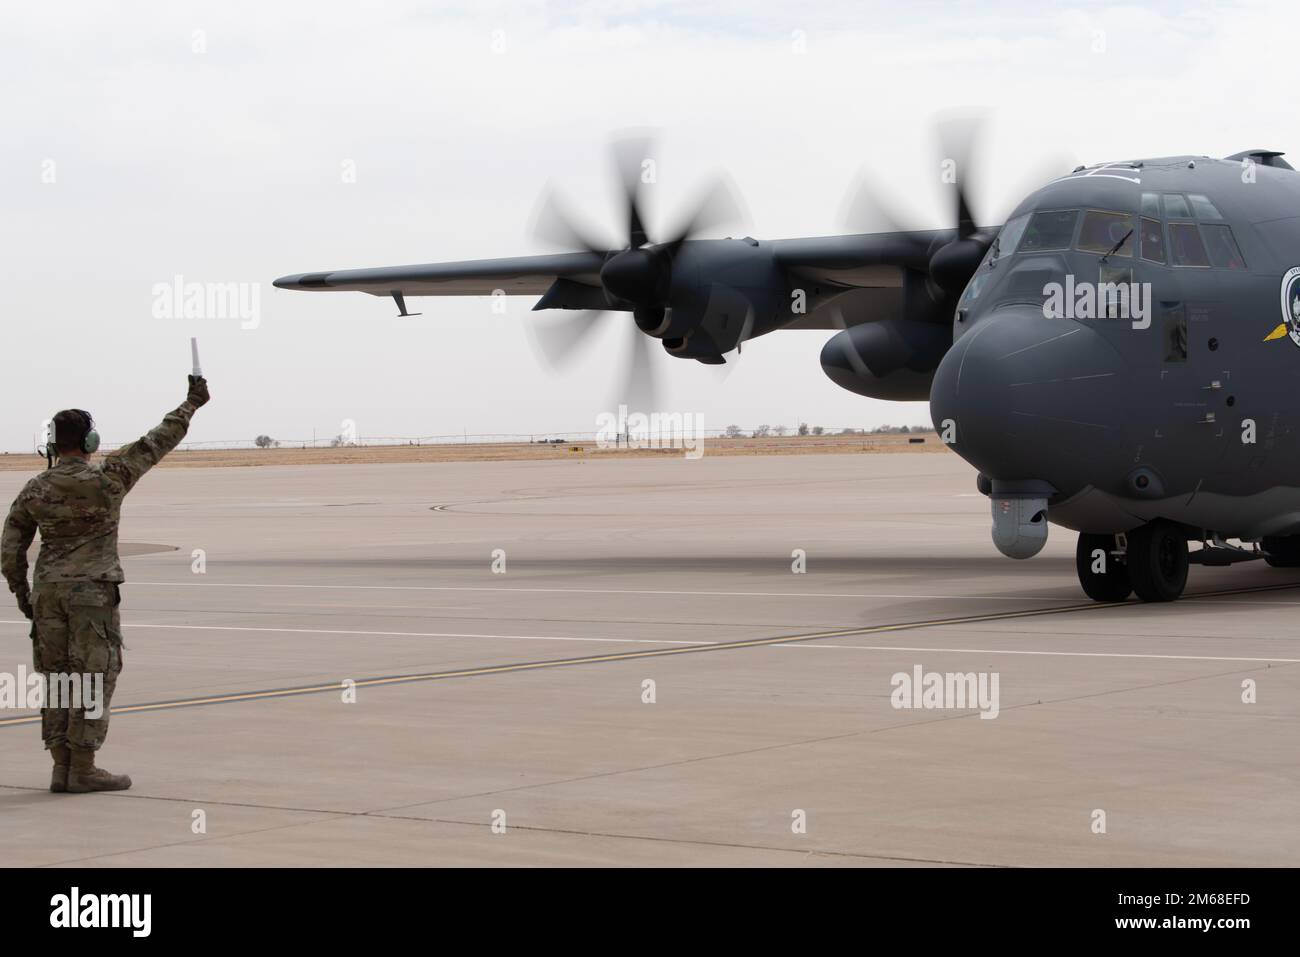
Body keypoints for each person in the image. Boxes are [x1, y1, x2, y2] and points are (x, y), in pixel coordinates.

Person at [1, 376, 210, 792]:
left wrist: (24, 595)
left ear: (53, 444)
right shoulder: (108, 479)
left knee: (57, 678)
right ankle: (83, 766)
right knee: (94, 676)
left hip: (49, 595)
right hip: (92, 596)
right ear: (91, 441)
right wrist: (191, 404)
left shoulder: (34, 488)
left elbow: (10, 548)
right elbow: (155, 441)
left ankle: (61, 767)